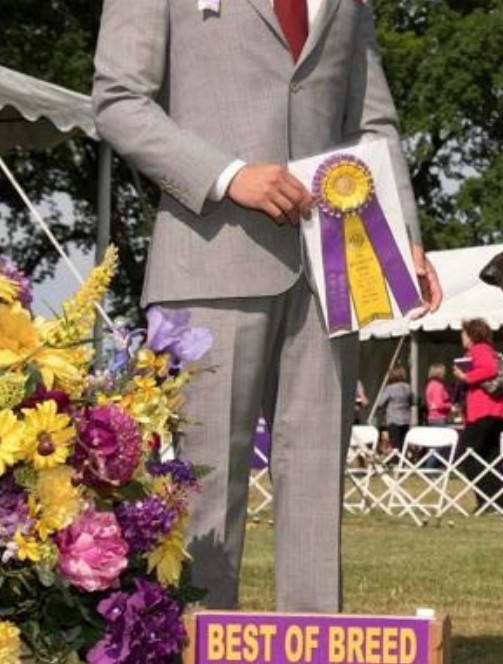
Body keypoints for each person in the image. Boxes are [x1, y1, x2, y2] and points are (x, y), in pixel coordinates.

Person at [93, 0, 442, 612]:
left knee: (317, 481)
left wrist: (402, 236)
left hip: (331, 271)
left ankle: (312, 662)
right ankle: (200, 663)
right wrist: (228, 175)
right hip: (207, 265)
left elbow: (373, 124)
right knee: (203, 487)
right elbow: (119, 101)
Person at [453, 319, 503, 514]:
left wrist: (466, 377)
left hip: (484, 412)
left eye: (463, 334)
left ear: (472, 335)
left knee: (467, 455)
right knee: (490, 460)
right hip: (497, 413)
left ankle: (487, 501)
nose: (462, 337)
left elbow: (489, 369)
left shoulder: (479, 350)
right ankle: (497, 505)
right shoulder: (489, 350)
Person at [372, 366, 416, 455]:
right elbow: (414, 401)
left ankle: (395, 460)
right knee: (403, 443)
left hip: (393, 419)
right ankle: (402, 460)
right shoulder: (408, 387)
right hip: (405, 419)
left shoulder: (390, 388)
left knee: (395, 444)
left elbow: (380, 403)